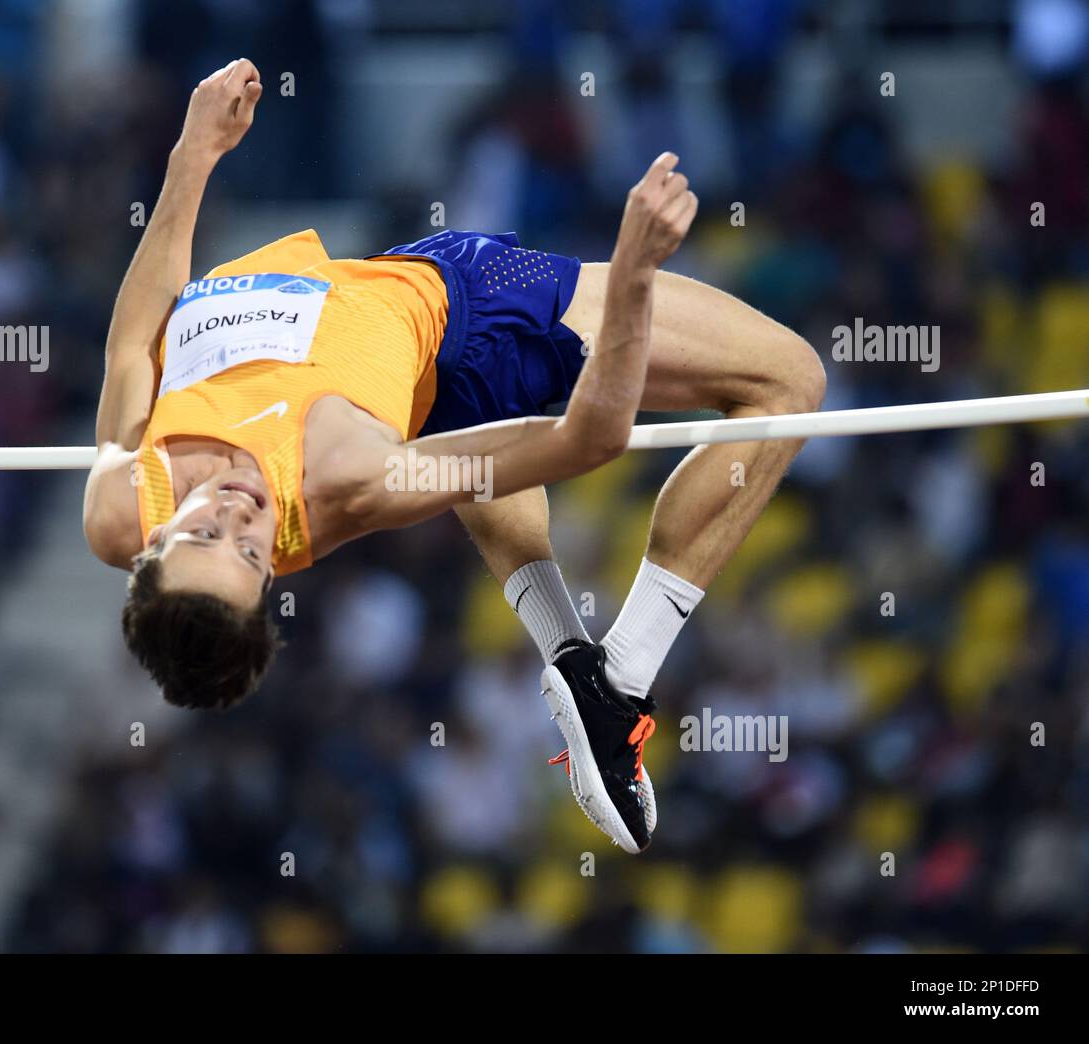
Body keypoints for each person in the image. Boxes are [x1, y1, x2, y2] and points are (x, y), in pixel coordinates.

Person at [83, 59, 825, 853]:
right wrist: (635, 277)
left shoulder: (119, 504)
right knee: (788, 382)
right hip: (477, 311)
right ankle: (626, 674)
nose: (236, 513)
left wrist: (193, 155)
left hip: (397, 304)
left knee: (457, 422)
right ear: (272, 574)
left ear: (152, 543)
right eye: (250, 551)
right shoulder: (345, 476)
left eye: (205, 533)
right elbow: (587, 440)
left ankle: (576, 665)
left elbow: (134, 342)